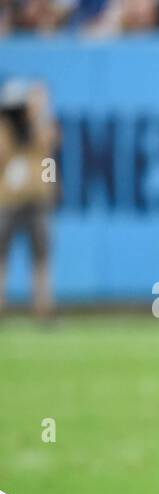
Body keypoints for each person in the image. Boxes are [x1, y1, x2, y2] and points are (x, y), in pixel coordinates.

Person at [0, 79, 60, 320]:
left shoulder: (41, 127)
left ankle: (43, 308)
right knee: (2, 255)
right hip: (8, 200)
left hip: (37, 200)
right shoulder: (5, 130)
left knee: (42, 256)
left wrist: (50, 187)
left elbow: (49, 157)